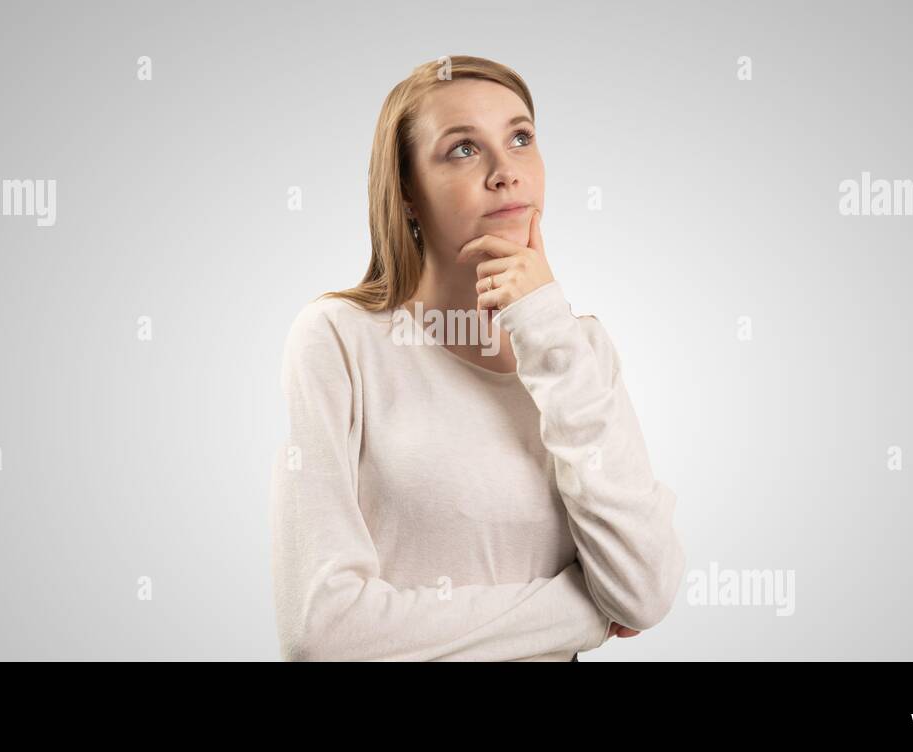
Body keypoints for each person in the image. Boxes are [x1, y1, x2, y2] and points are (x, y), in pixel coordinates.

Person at [269, 55, 684, 661]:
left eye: (520, 139)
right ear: (407, 192)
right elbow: (323, 632)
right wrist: (585, 612)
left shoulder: (579, 348)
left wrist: (545, 324)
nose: (505, 172)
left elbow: (644, 593)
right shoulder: (338, 339)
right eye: (463, 149)